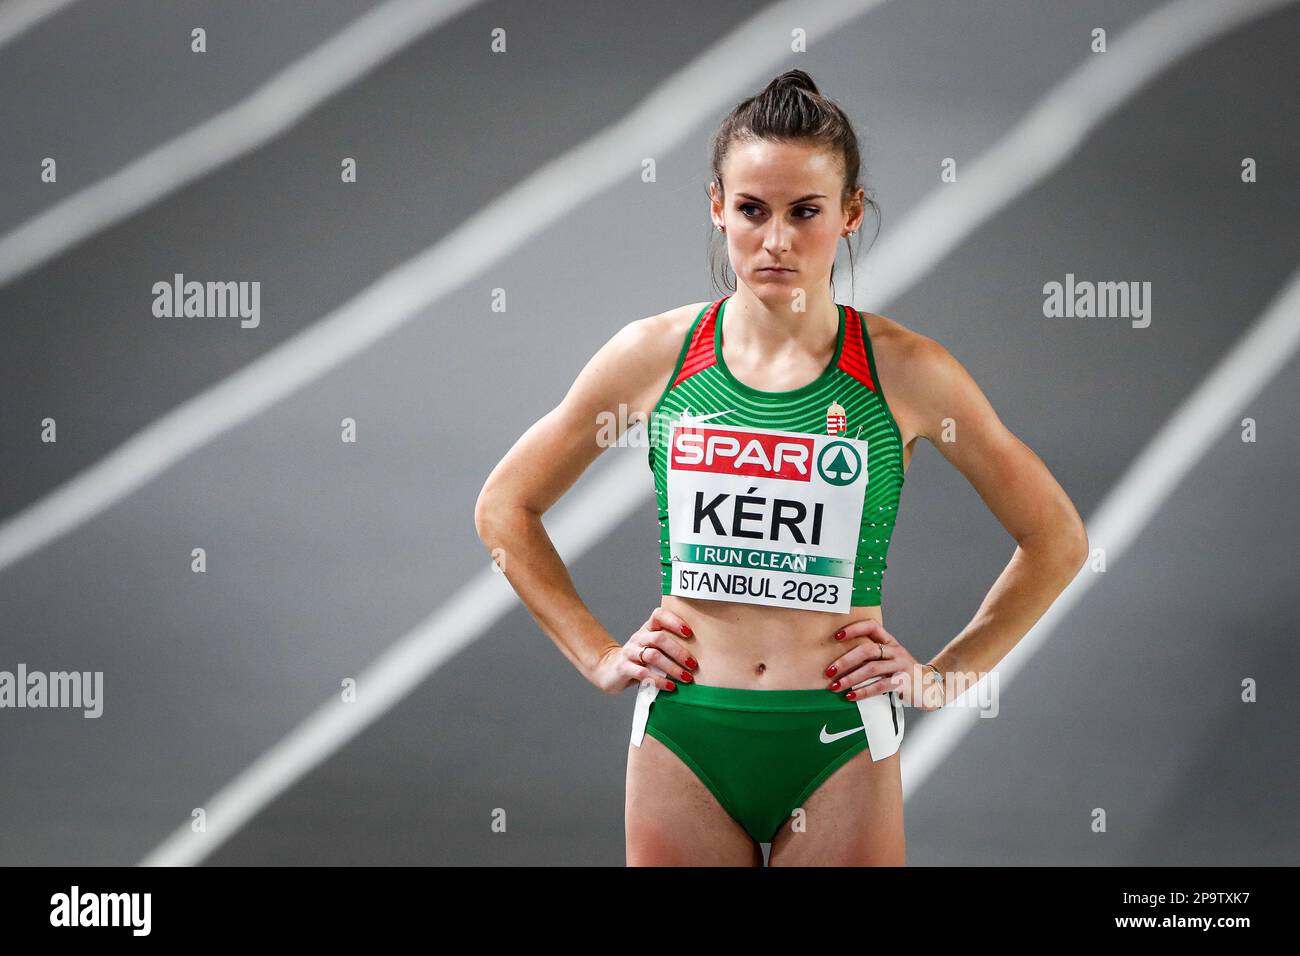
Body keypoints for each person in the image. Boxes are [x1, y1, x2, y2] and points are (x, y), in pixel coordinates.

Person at [474, 69, 1088, 866]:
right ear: (716, 207)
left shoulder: (906, 373)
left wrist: (944, 677)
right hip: (684, 742)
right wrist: (596, 653)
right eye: (751, 210)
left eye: (805, 213)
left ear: (851, 215)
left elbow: (1056, 538)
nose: (775, 241)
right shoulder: (654, 357)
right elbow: (505, 508)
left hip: (834, 743)